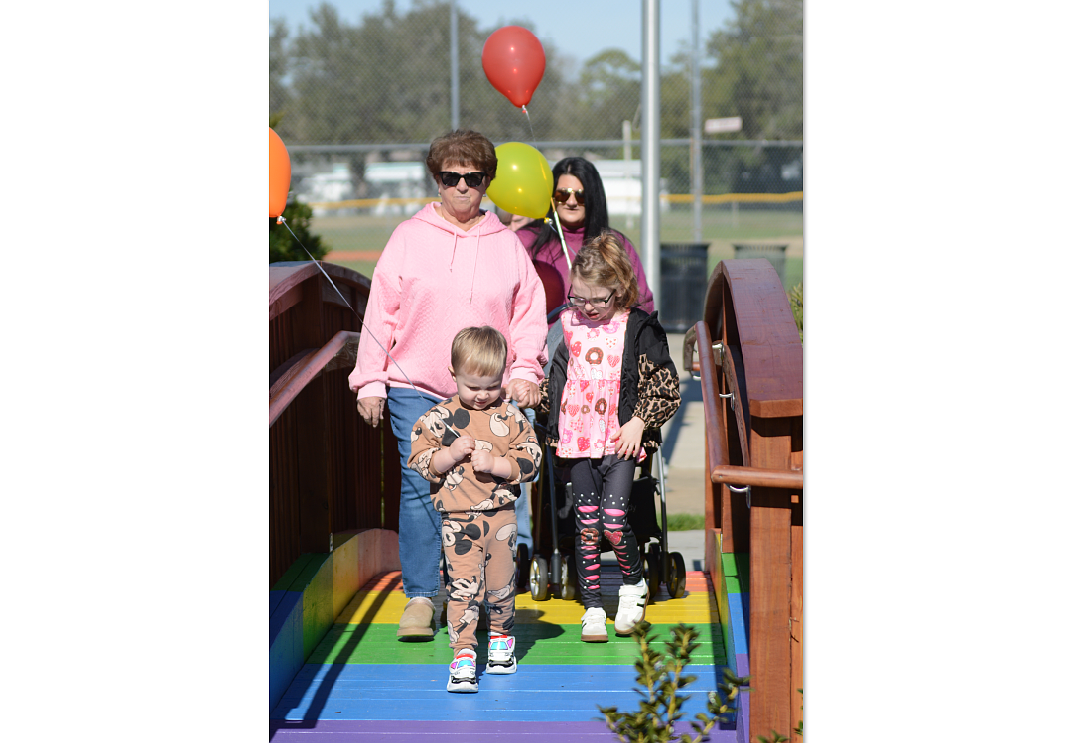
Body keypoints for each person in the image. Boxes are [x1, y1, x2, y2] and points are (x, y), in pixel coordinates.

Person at [348, 130, 547, 641]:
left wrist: (526, 372)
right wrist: (370, 381)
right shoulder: (407, 237)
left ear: (487, 182)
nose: (462, 187)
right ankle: (421, 595)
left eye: (473, 178)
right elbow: (380, 313)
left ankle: (482, 595)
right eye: (450, 177)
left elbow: (528, 314)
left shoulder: (506, 244)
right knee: (421, 488)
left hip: (487, 393)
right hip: (415, 385)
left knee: (491, 488)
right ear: (436, 180)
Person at [537, 233, 680, 642]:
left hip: (620, 439)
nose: (586, 307)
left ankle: (633, 584)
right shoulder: (568, 325)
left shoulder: (637, 328)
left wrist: (639, 422)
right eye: (577, 297)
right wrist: (536, 397)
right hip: (578, 440)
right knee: (586, 526)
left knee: (614, 520)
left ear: (618, 289)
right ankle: (594, 605)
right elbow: (556, 380)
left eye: (597, 300)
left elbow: (666, 386)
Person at [408, 326, 541, 693]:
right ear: (453, 375)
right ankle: (463, 655)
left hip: (501, 518)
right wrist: (449, 455)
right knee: (463, 589)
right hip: (458, 520)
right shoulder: (438, 418)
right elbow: (418, 459)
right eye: (472, 386)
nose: (482, 395)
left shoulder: (512, 418)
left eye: (492, 385)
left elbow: (532, 459)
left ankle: (501, 640)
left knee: (501, 584)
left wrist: (499, 465)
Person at [516, 156, 656, 315]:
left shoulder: (615, 244)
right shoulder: (526, 240)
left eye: (580, 195)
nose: (571, 202)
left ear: (593, 198)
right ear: (552, 196)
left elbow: (641, 302)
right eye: (563, 194)